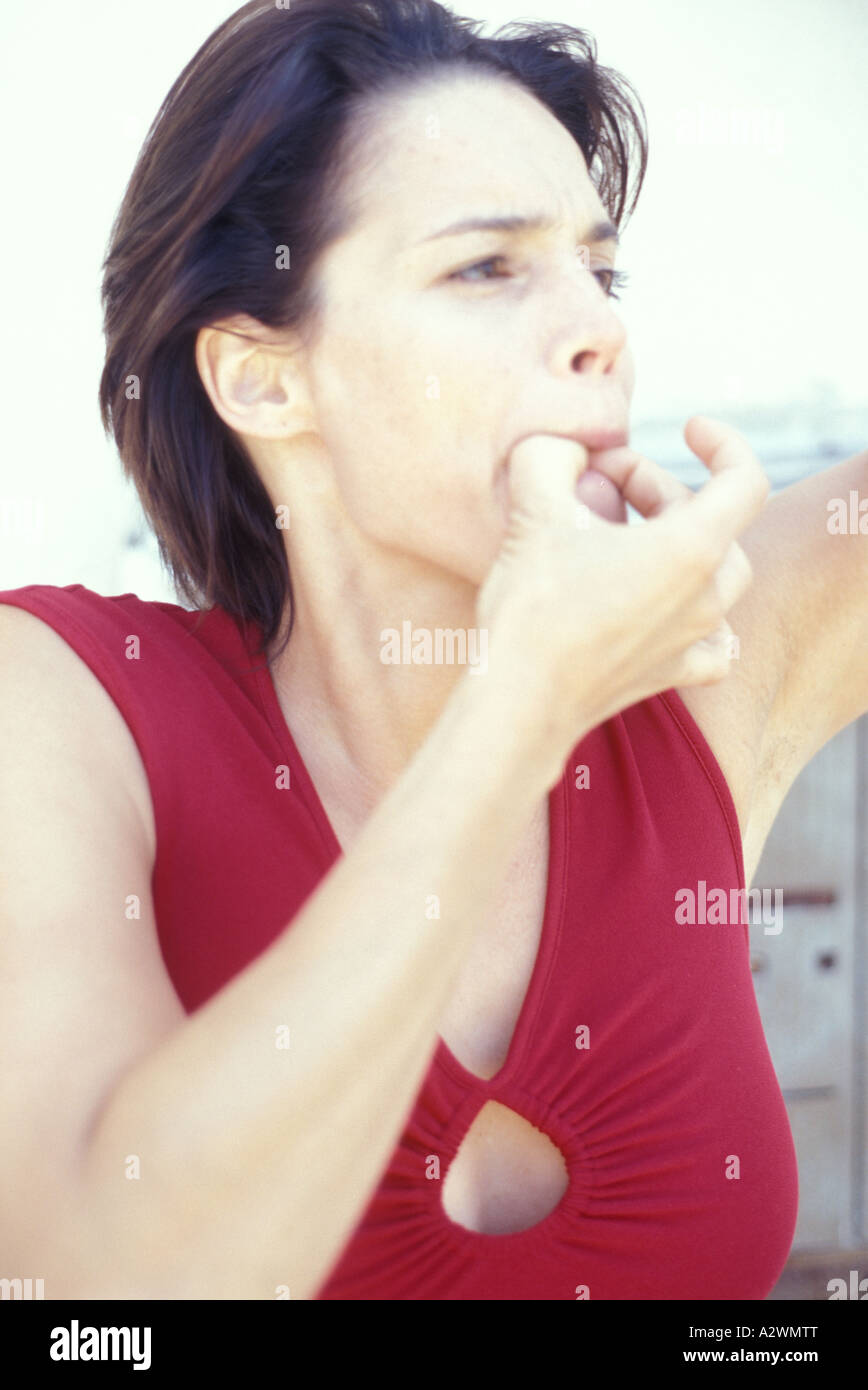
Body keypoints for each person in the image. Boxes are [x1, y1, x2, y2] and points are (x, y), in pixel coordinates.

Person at [1, 0, 865, 1301]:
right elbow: (112, 1264)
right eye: (487, 269)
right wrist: (521, 709)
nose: (601, 331)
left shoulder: (707, 658)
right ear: (260, 380)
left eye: (599, 269)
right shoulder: (64, 697)